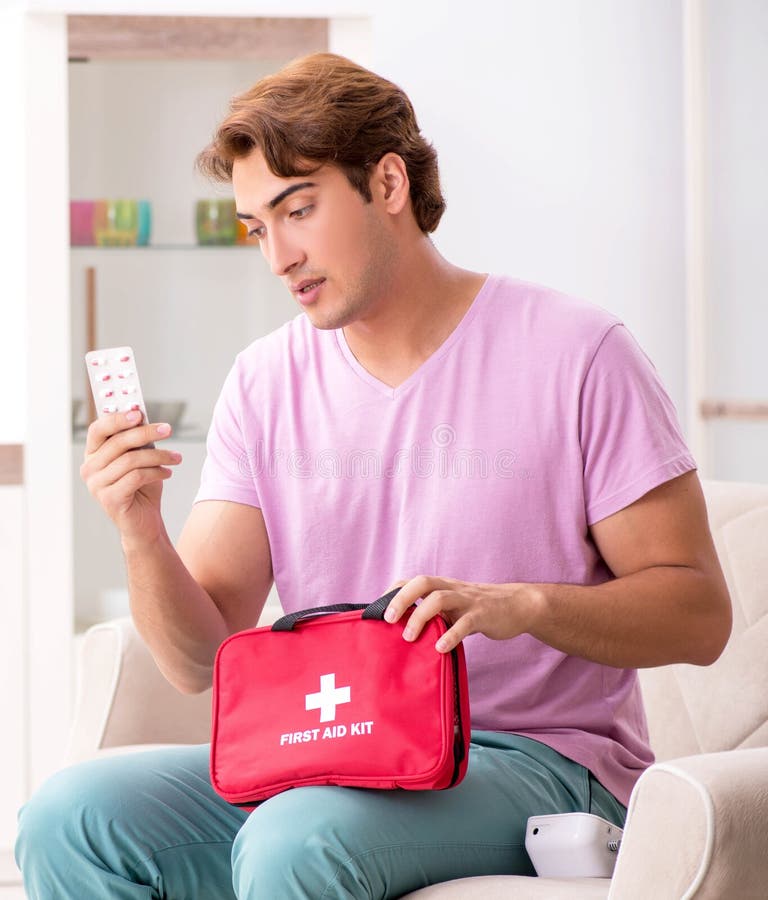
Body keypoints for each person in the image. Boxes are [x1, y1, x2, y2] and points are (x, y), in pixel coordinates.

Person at [16, 52, 732, 899]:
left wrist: (524, 604)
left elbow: (699, 616)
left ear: (387, 184)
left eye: (298, 209)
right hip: (330, 751)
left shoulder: (579, 355)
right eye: (256, 227)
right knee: (71, 815)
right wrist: (138, 528)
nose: (277, 256)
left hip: (536, 760)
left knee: (301, 837)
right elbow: (200, 657)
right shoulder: (264, 381)